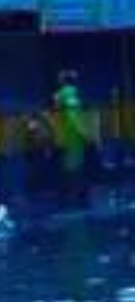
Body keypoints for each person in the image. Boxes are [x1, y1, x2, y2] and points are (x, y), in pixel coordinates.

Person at [53, 70, 89, 207]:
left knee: (70, 165)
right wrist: (84, 132)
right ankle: (78, 194)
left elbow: (66, 114)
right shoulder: (69, 94)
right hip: (73, 135)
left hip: (65, 135)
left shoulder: (61, 95)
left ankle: (73, 194)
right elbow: (73, 116)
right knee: (75, 165)